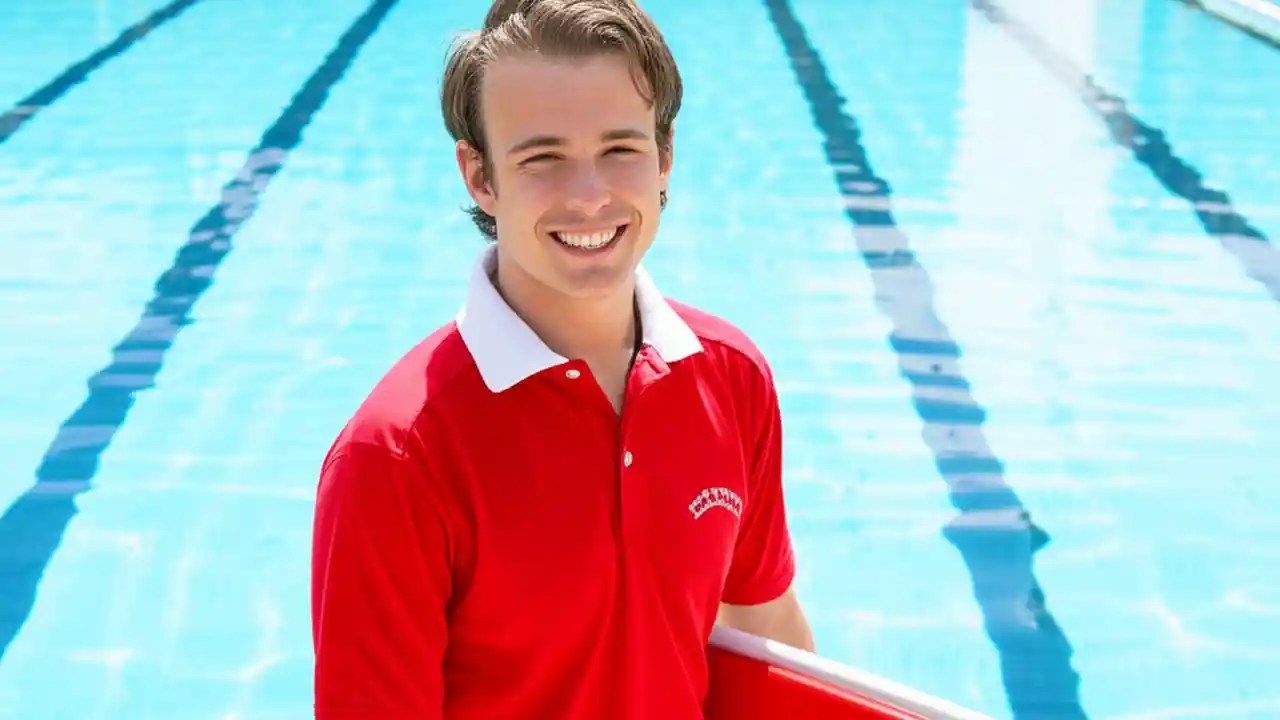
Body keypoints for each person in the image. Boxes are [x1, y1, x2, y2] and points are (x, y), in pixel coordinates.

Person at [310, 0, 814, 717]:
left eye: (620, 150)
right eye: (542, 157)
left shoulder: (731, 378)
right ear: (479, 176)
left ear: (664, 156)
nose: (589, 197)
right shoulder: (396, 458)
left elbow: (769, 637)